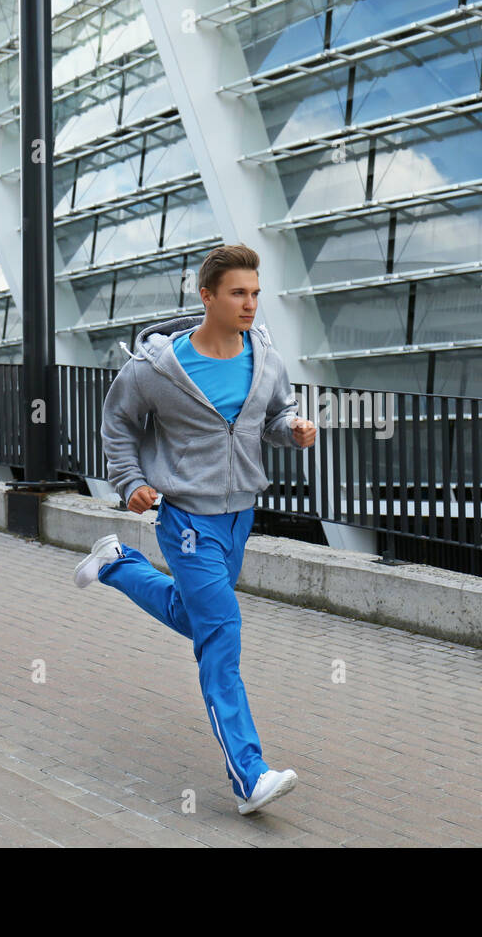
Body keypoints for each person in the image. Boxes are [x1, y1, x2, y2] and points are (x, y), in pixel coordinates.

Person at [74, 243, 317, 816]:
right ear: (206, 295)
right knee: (222, 634)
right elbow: (118, 422)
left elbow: (273, 415)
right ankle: (249, 774)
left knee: (195, 616)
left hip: (240, 516)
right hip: (184, 519)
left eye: (255, 293)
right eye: (238, 293)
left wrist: (294, 428)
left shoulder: (266, 356)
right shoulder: (158, 369)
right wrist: (128, 479)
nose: (250, 304)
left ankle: (115, 565)